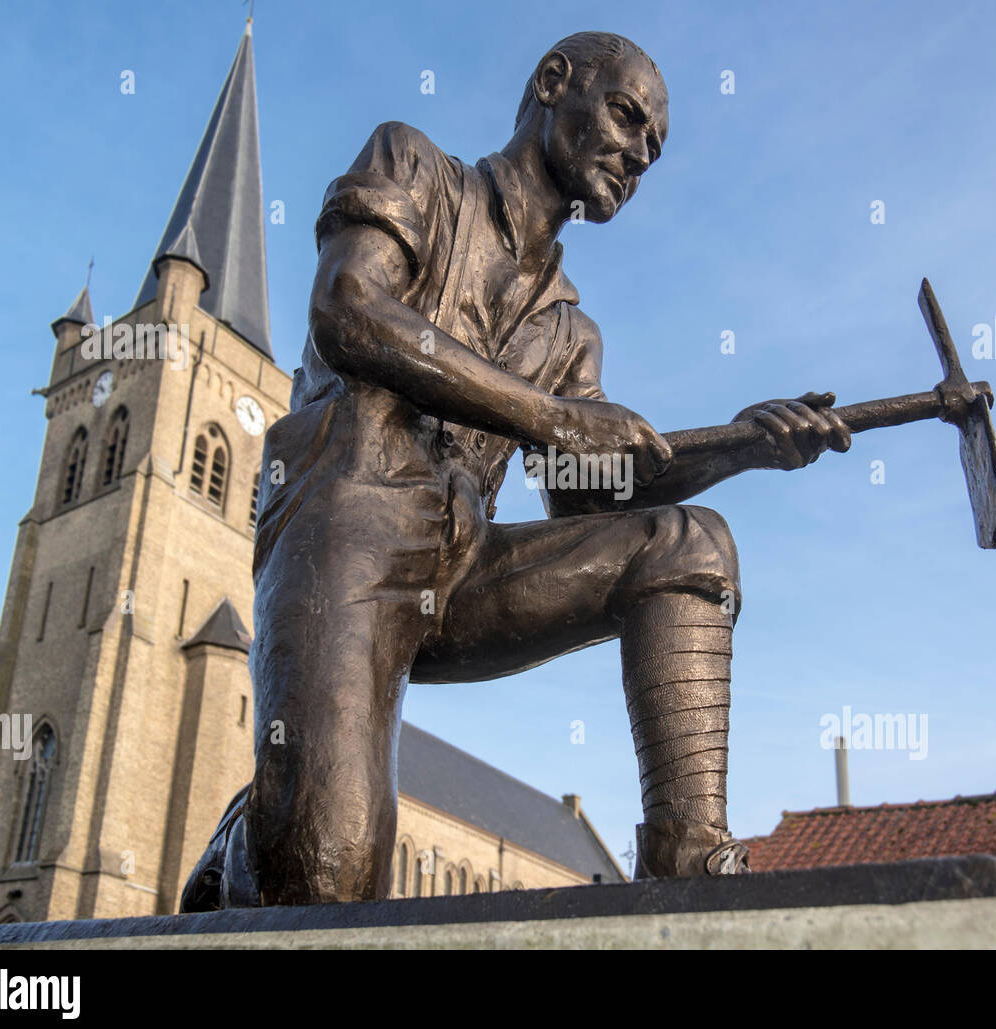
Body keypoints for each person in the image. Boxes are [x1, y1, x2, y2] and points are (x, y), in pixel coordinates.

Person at [182, 31, 850, 910]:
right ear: (552, 83)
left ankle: (689, 866)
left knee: (688, 543)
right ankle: (260, 822)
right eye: (626, 116)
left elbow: (584, 487)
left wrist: (740, 444)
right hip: (340, 532)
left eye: (655, 146)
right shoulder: (413, 165)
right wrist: (554, 414)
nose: (639, 154)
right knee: (327, 879)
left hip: (458, 567)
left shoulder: (570, 331)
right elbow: (349, 309)